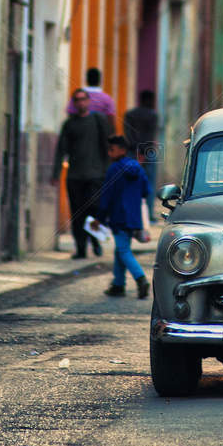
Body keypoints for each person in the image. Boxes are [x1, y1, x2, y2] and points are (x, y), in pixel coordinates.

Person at [52, 88, 110, 259]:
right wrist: (55, 173)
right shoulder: (69, 124)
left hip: (96, 176)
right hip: (75, 176)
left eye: (83, 99)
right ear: (74, 103)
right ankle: (81, 248)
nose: (81, 103)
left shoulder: (98, 120)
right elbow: (61, 150)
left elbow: (107, 146)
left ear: (88, 101)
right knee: (77, 213)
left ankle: (95, 239)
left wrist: (108, 171)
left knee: (94, 209)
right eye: (77, 100)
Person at [97, 133, 152, 299]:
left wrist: (100, 217)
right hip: (133, 218)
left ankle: (140, 278)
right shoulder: (138, 168)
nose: (109, 153)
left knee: (123, 250)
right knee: (120, 250)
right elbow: (146, 191)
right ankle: (118, 284)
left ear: (121, 150)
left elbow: (106, 196)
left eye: (111, 149)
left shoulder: (113, 169)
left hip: (118, 216)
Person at [124, 89, 160, 216]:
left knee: (130, 183)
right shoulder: (153, 115)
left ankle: (130, 211)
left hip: (131, 152)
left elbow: (128, 134)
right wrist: (143, 152)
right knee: (149, 183)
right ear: (149, 100)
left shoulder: (129, 114)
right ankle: (149, 214)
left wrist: (136, 150)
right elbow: (150, 136)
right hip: (148, 153)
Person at [84, 66, 116, 131]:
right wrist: (112, 132)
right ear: (100, 81)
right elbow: (110, 118)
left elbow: (71, 114)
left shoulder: (77, 96)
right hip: (100, 133)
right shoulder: (107, 98)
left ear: (86, 79)